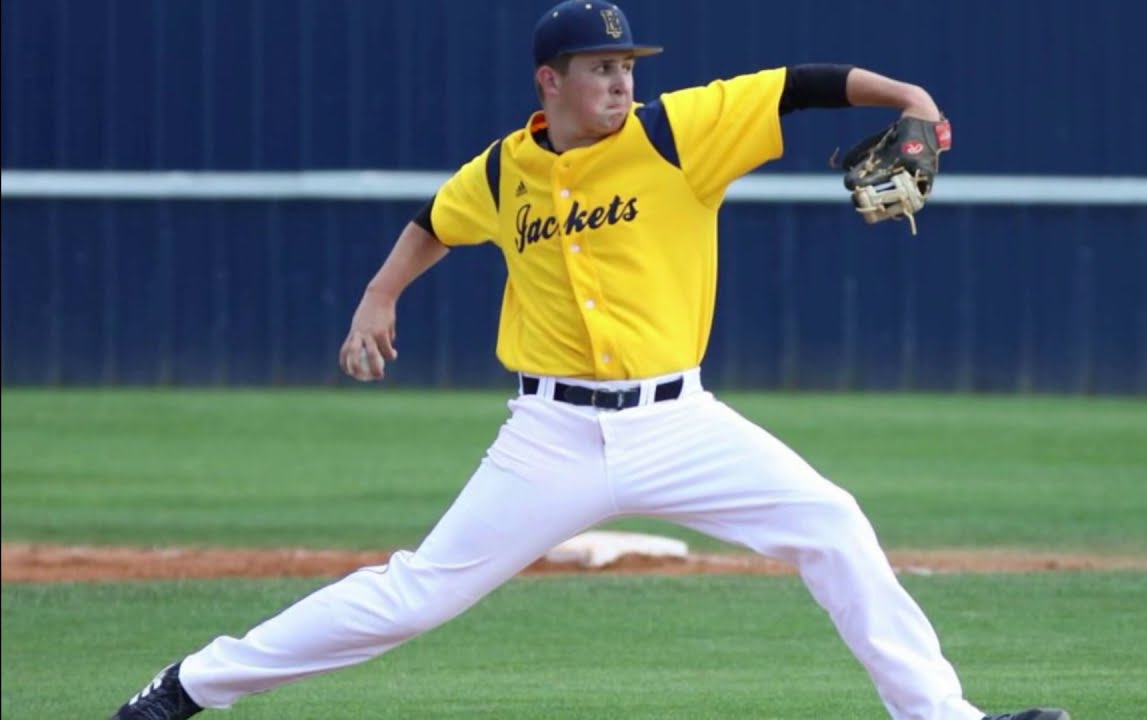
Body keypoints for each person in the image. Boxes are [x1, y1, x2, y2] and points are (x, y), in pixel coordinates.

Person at [111, 2, 1068, 719]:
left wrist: (912, 100)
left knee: (832, 522)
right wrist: (379, 293)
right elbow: (436, 222)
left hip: (681, 423)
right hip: (552, 435)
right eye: (600, 67)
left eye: (625, 65)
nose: (620, 82)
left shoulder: (674, 133)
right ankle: (187, 687)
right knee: (417, 594)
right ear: (548, 82)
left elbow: (796, 84)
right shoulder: (502, 170)